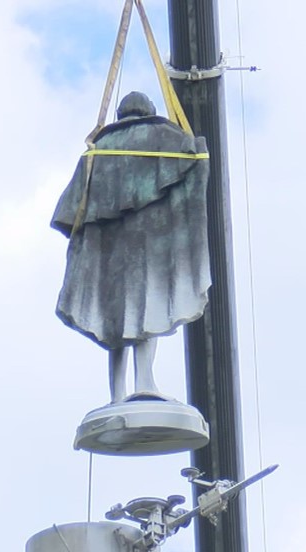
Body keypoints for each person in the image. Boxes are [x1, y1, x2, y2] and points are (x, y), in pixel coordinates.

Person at [51, 91, 211, 403]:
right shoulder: (164, 137)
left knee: (113, 326)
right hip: (148, 246)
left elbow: (70, 210)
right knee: (145, 317)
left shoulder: (98, 149)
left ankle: (116, 395)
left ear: (121, 114)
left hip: (107, 257)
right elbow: (195, 156)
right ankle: (145, 383)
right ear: (149, 110)